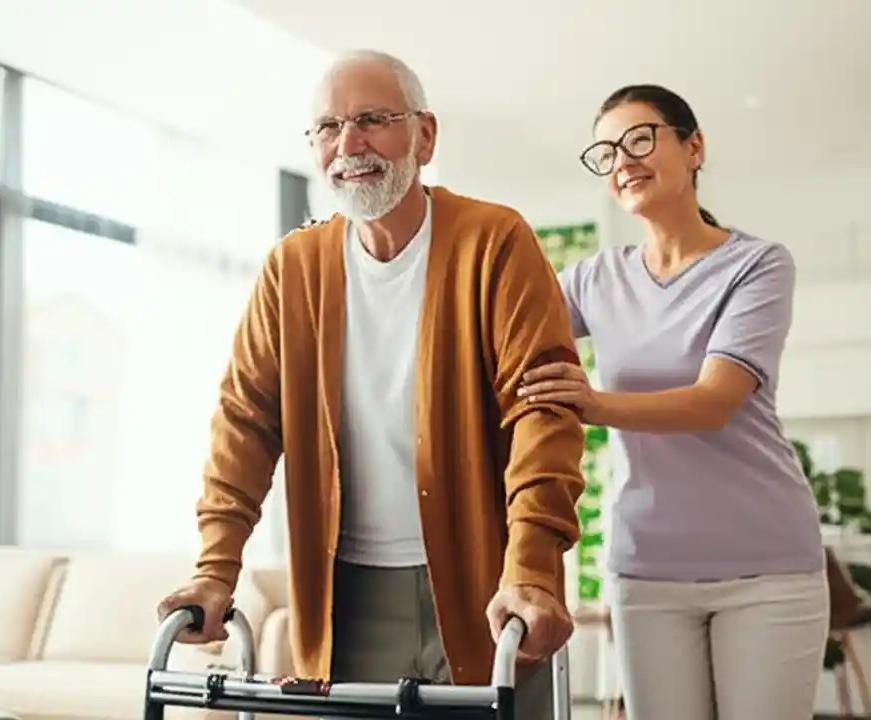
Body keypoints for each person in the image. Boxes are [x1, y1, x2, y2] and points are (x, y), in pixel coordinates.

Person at [155, 49, 585, 718]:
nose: (348, 144)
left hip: (487, 583)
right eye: (328, 127)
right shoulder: (292, 268)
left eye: (373, 119)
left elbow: (541, 418)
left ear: (425, 134)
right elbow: (245, 422)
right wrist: (215, 568)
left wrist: (529, 567)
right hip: (345, 594)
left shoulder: (494, 241)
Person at [518, 84, 829, 720]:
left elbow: (715, 401)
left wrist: (593, 403)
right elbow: (505, 334)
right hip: (647, 569)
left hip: (766, 571)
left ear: (694, 148)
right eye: (607, 152)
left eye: (640, 139)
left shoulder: (758, 265)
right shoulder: (592, 279)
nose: (623, 160)